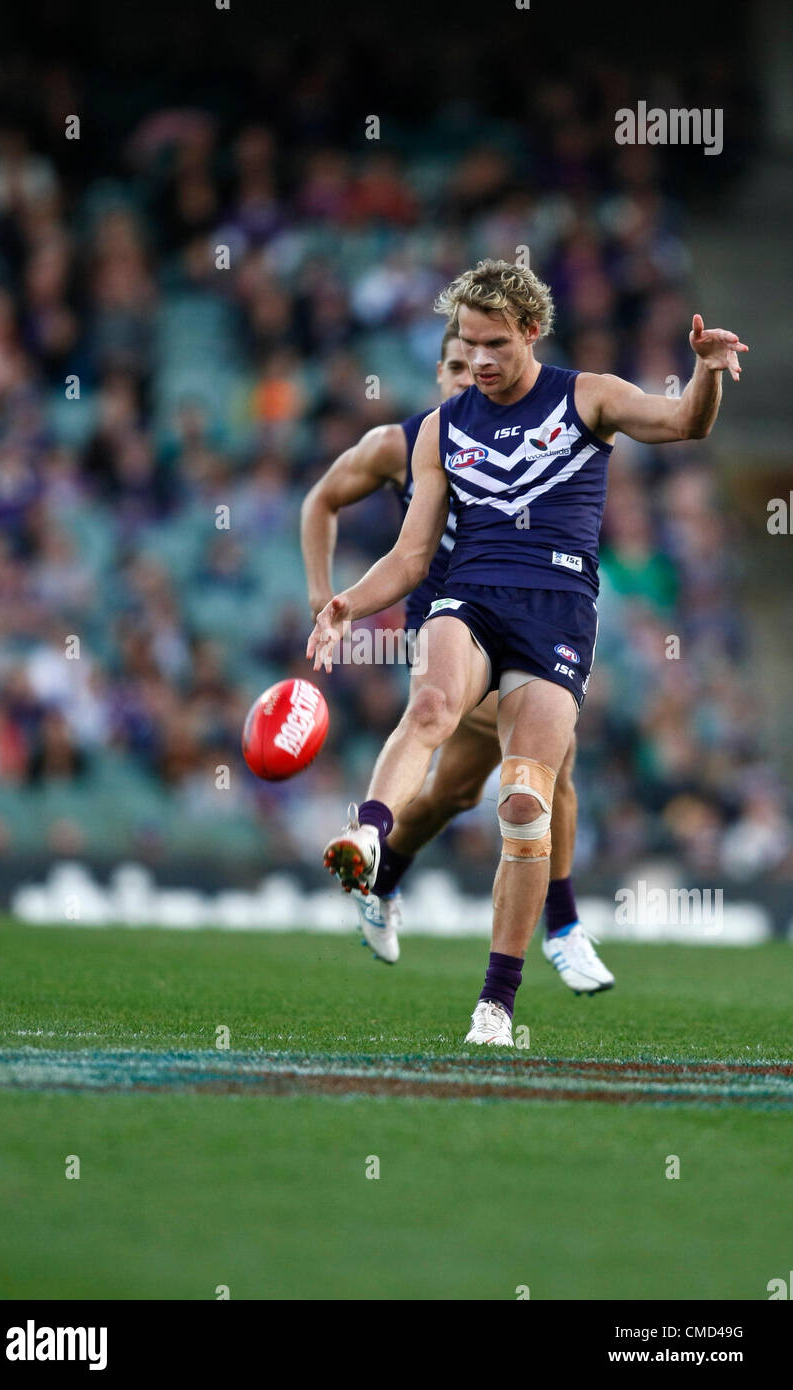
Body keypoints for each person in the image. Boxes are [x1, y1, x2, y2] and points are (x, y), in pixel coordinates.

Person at [307, 258, 747, 1045]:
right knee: (433, 704)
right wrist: (345, 603)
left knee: (523, 804)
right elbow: (412, 559)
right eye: (466, 345)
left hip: (555, 615)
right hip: (469, 598)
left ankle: (495, 1004)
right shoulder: (443, 428)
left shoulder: (589, 396)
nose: (477, 360)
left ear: (531, 332)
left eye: (493, 344)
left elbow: (685, 424)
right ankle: (369, 833)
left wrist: (705, 371)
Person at [301, 325, 608, 993]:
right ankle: (561, 928)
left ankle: (379, 878)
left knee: (452, 792)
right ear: (440, 376)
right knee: (549, 761)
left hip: (517, 622)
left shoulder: (524, 436)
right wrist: (324, 596)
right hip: (445, 629)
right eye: (459, 369)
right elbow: (321, 499)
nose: (473, 379)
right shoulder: (406, 443)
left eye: (483, 366)